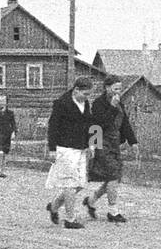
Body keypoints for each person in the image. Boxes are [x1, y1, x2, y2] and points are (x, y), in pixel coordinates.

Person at [84, 76, 138, 223]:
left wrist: (133, 141)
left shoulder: (120, 103)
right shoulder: (98, 104)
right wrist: (112, 107)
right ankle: (113, 211)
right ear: (107, 88)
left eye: (120, 89)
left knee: (114, 178)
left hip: (115, 144)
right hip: (102, 143)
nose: (118, 92)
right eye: (115, 89)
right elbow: (100, 124)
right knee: (113, 176)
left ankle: (91, 200)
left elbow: (125, 122)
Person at [44, 75, 95, 228]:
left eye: (89, 95)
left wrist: (91, 144)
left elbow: (88, 124)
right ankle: (70, 219)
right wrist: (52, 148)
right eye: (85, 94)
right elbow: (53, 126)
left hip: (80, 148)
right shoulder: (61, 103)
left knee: (79, 184)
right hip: (65, 149)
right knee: (69, 184)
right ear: (76, 90)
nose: (87, 98)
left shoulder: (85, 104)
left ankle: (53, 206)